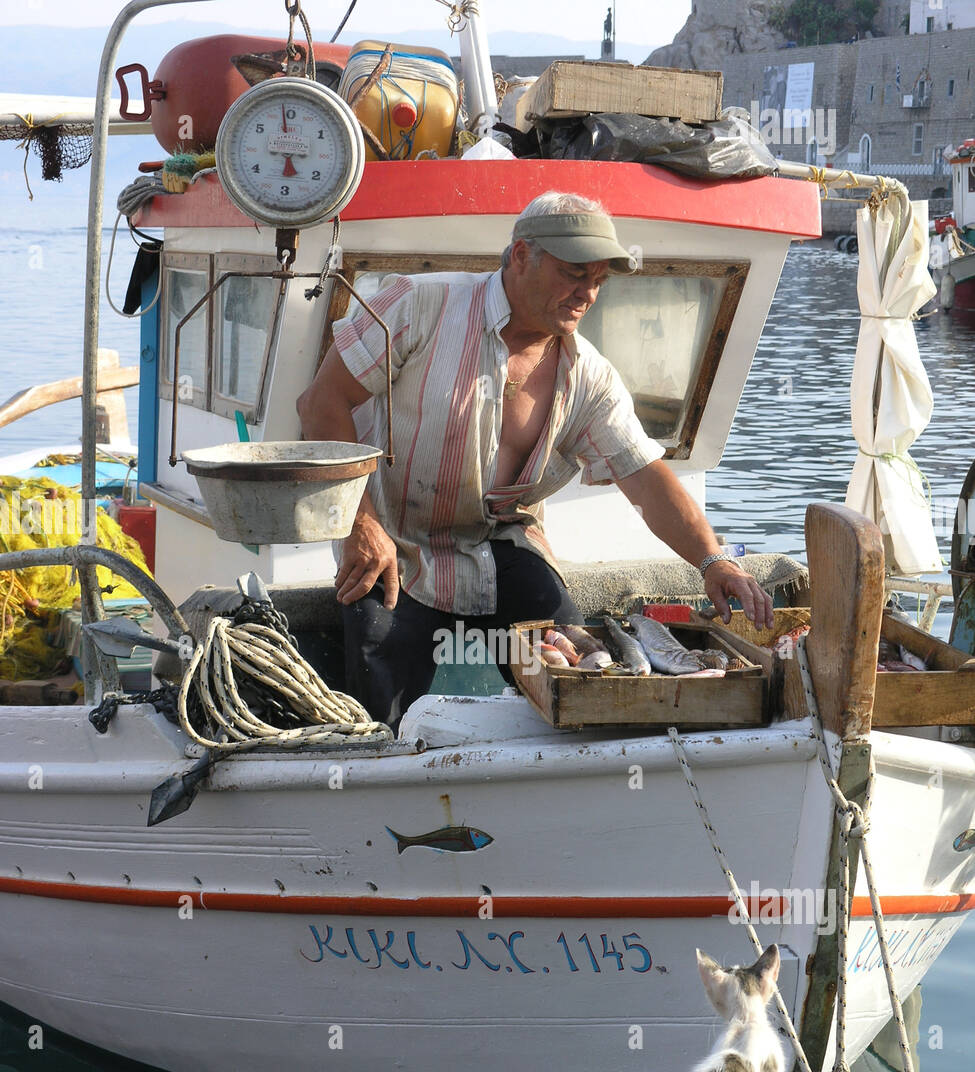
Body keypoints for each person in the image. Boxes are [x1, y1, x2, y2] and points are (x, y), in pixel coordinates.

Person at [297, 191, 773, 730]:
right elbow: (320, 404)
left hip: (501, 545)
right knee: (379, 696)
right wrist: (361, 523)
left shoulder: (587, 375)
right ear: (521, 256)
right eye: (574, 274)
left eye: (598, 281)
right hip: (393, 540)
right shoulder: (416, 304)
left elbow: (645, 478)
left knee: (581, 672)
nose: (587, 294)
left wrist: (715, 562)